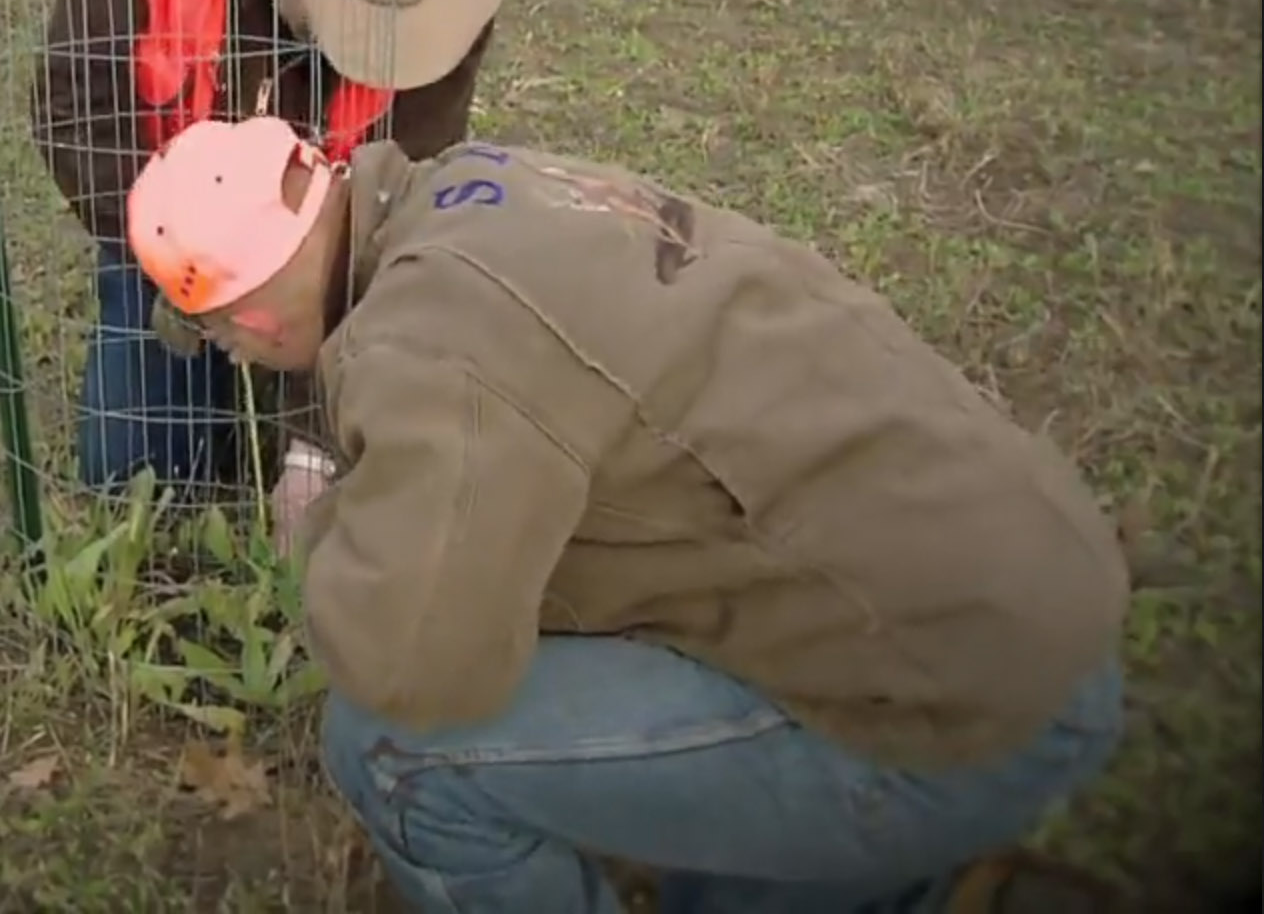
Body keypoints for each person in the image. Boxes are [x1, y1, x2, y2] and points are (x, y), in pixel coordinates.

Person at [121, 115, 1133, 914]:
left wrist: (334, 530)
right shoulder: (477, 189)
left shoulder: (422, 351)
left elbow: (414, 663)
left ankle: (908, 849)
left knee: (387, 749)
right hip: (1020, 595)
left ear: (245, 320)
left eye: (217, 337)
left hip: (965, 706)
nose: (233, 357)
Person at [27, 0, 507, 504]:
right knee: (137, 482)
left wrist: (313, 442)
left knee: (367, 490)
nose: (352, 49)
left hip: (331, 273)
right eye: (338, 14)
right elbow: (75, 110)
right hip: (169, 242)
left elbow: (393, 215)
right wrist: (191, 273)